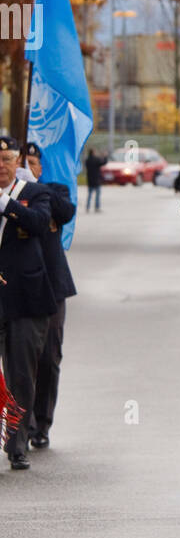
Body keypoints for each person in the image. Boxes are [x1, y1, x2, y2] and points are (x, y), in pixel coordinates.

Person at [0, 135, 57, 470]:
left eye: (6, 159)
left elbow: (39, 224)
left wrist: (7, 205)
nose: (1, 166)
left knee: (21, 374)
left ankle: (16, 443)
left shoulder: (34, 194)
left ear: (17, 162)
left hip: (25, 298)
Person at [23, 142, 77, 450]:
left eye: (33, 162)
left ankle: (42, 424)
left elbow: (65, 213)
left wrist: (32, 186)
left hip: (53, 285)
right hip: (19, 286)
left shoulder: (54, 190)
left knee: (49, 357)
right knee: (19, 358)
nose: (28, 167)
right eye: (23, 162)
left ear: (40, 168)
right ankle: (22, 424)